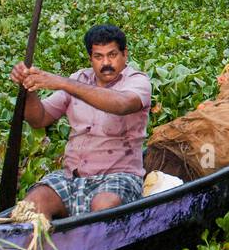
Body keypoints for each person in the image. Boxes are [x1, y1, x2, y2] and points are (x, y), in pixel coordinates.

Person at [10, 24, 152, 218]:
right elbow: (40, 118)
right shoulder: (78, 78)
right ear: (90, 58)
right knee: (33, 205)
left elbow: (122, 104)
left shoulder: (136, 81)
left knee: (103, 209)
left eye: (112, 55)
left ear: (124, 54)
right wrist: (28, 89)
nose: (106, 63)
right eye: (98, 57)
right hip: (72, 177)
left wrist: (63, 83)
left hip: (119, 176)